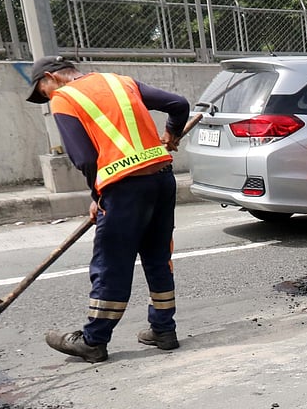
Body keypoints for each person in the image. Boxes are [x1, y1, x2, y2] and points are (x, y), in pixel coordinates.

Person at [27, 56, 191, 362]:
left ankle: (94, 341)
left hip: (124, 190)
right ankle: (164, 331)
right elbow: (179, 104)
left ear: (52, 77)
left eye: (43, 90)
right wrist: (172, 133)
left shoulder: (64, 98)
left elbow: (85, 159)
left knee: (112, 264)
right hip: (162, 180)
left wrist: (98, 194)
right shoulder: (120, 81)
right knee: (158, 257)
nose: (47, 98)